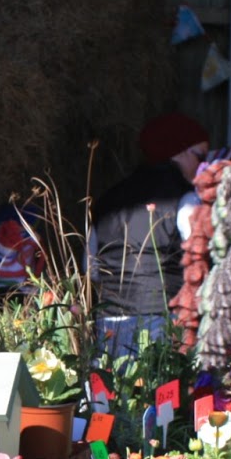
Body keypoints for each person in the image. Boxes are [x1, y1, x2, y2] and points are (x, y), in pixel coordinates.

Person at [90, 112, 211, 357]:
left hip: (109, 321)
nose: (203, 166)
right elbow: (200, 260)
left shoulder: (106, 200)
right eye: (200, 156)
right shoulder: (186, 198)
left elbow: (90, 269)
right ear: (177, 151)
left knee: (114, 392)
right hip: (163, 318)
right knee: (163, 392)